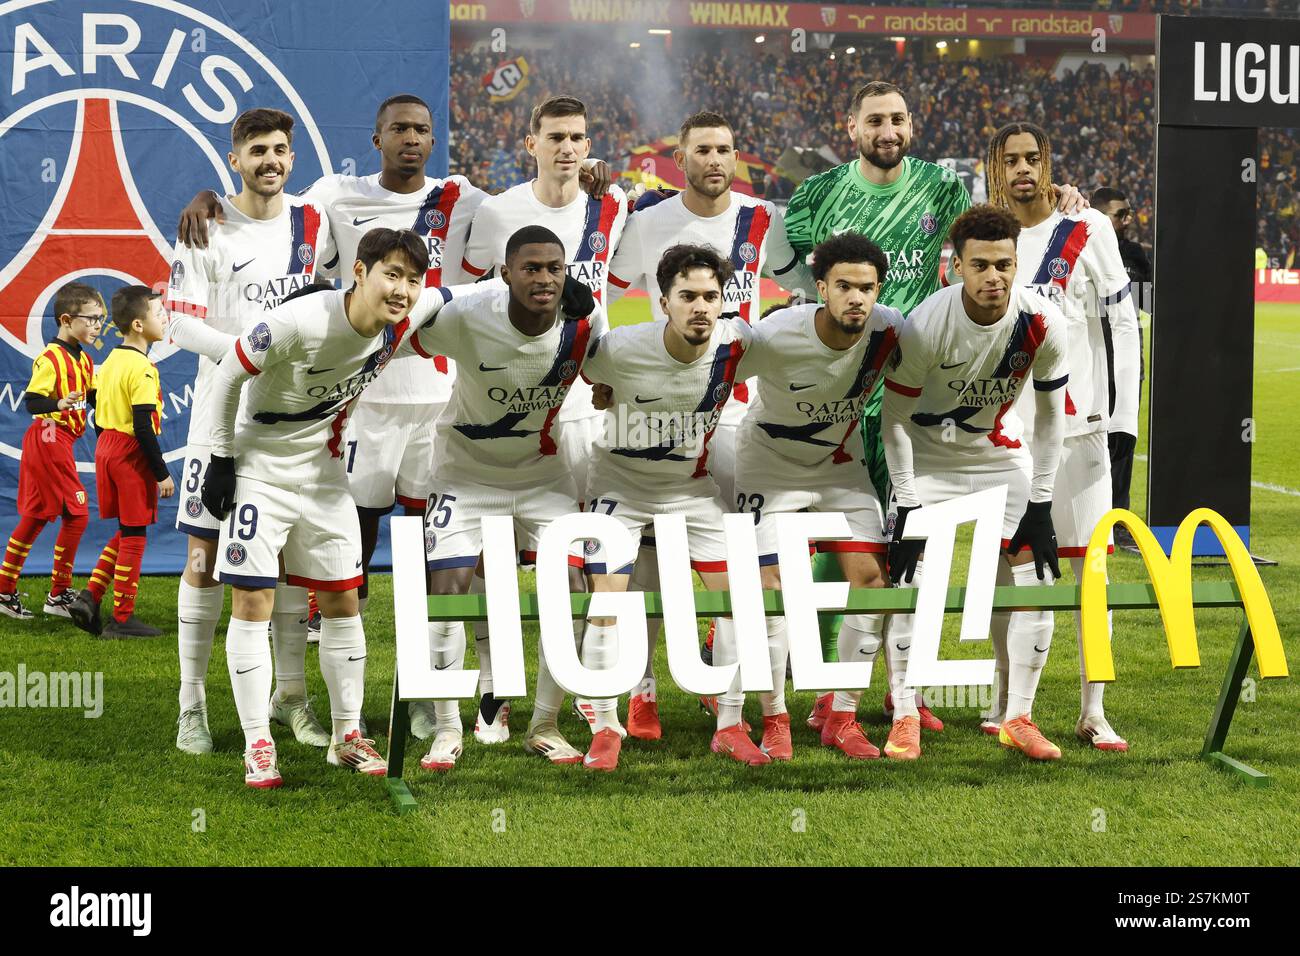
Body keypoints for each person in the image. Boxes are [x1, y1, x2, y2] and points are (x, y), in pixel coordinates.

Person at [784, 79, 1086, 733]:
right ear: (851, 125)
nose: (887, 130)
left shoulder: (944, 191)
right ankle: (823, 689)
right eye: (874, 120)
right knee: (833, 550)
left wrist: (1063, 202)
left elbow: (993, 231)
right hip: (843, 397)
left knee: (896, 557)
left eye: (897, 118)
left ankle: (902, 696)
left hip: (916, 389)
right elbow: (798, 279)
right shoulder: (815, 195)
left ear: (912, 125)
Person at [199, 227, 452, 788]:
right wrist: (221, 457)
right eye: (391, 274)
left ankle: (346, 737)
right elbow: (228, 373)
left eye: (413, 279)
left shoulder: (406, 315)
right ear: (358, 272)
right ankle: (257, 744)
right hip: (262, 469)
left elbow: (461, 294)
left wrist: (563, 305)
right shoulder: (299, 321)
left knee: (343, 603)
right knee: (254, 600)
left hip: (326, 473)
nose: (404, 290)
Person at [603, 110, 814, 737]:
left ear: (737, 154)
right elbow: (608, 302)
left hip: (741, 412)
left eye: (725, 149)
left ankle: (738, 700)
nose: (714, 160)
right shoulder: (647, 223)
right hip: (661, 409)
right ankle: (640, 692)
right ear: (682, 156)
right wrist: (614, 378)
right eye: (702, 150)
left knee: (748, 560)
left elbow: (801, 281)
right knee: (644, 558)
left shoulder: (762, 218)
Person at [406, 225, 606, 773]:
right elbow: (404, 328)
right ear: (505, 274)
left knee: (569, 592)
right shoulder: (469, 317)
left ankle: (544, 724)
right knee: (446, 595)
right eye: (531, 268)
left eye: (554, 269)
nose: (543, 278)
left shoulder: (583, 326)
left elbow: (612, 376)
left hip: (544, 478)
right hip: (463, 474)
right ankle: (447, 731)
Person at [164, 107, 332, 756]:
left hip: (291, 425)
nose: (271, 160)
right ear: (234, 159)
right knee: (204, 562)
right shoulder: (206, 226)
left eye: (281, 149)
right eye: (257, 149)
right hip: (221, 423)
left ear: (294, 159)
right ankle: (192, 706)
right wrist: (251, 351)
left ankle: (291, 699)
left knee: (289, 565)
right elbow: (180, 325)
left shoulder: (316, 221)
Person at [459, 95, 627, 745]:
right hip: (509, 405)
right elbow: (470, 293)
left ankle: (581, 697)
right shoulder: (498, 211)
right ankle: (493, 689)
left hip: (585, 407)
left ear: (590, 145)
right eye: (554, 136)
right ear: (529, 142)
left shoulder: (610, 206)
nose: (567, 147)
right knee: (494, 558)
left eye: (578, 137)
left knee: (580, 558)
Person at [882, 205, 1069, 761]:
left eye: (1005, 265)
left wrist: (1040, 500)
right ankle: (906, 713)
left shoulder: (1041, 322)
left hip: (993, 455)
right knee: (911, 579)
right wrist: (910, 502)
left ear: (1018, 263)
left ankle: (1018, 717)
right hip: (927, 458)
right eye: (981, 265)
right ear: (956, 267)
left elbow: (1050, 416)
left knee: (1039, 573)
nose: (994, 277)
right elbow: (893, 419)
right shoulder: (926, 325)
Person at [582, 244, 768, 769]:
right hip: (622, 485)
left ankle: (730, 724)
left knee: (739, 601)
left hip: (692, 490)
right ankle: (604, 724)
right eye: (687, 296)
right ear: (663, 301)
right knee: (610, 603)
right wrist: (601, 394)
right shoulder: (617, 347)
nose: (701, 307)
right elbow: (582, 371)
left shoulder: (737, 343)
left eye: (712, 296)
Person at [990, 124, 1139, 751]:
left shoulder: (1088, 229)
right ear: (994, 168)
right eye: (1011, 161)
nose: (1024, 170)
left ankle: (1093, 710)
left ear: (1049, 163)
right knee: (1010, 573)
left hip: (1081, 432)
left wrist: (1123, 419)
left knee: (1091, 573)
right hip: (1008, 438)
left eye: (1034, 158)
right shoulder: (987, 237)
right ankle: (1005, 704)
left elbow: (1121, 324)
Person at [733, 233, 904, 760]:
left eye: (868, 288)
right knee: (771, 586)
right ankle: (775, 717)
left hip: (838, 464)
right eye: (845, 286)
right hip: (768, 461)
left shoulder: (889, 329)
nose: (857, 298)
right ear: (822, 287)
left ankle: (843, 716)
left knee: (873, 581)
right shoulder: (775, 334)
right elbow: (707, 376)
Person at [68, 287, 174, 638]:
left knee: (128, 529)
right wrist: (161, 474)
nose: (166, 319)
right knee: (135, 536)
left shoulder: (111, 360)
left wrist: (108, 450)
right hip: (130, 449)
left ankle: (89, 596)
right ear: (140, 325)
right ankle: (122, 619)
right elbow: (144, 426)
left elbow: (95, 408)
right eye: (160, 315)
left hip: (108, 447)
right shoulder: (142, 368)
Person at [0, 282, 101, 620]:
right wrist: (58, 402)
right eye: (91, 319)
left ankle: (6, 590)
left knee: (37, 516)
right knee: (78, 513)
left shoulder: (85, 360)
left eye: (101, 319)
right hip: (48, 436)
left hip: (60, 440)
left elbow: (96, 400)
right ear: (67, 319)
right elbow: (32, 402)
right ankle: (57, 594)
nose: (98, 326)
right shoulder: (51, 358)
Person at [1090, 186, 1148, 521]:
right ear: (1099, 217)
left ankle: (1119, 517)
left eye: (1128, 212)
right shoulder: (1081, 248)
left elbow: (1146, 306)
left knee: (1123, 441)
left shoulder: (1135, 255)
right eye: (1120, 214)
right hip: (1091, 363)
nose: (1129, 219)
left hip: (1128, 364)